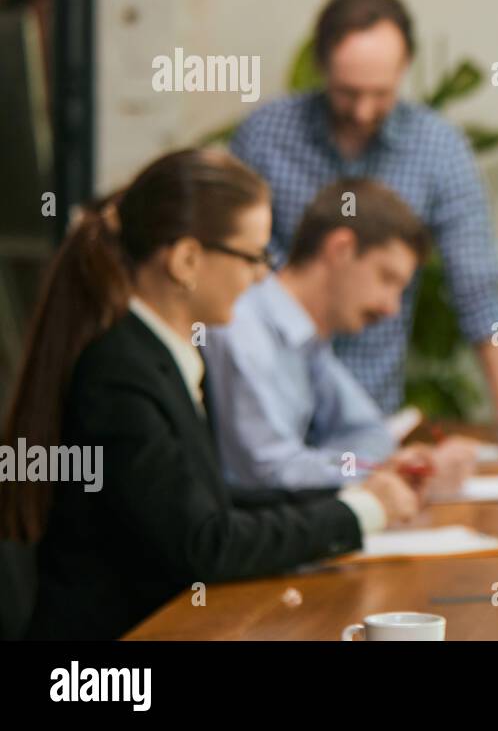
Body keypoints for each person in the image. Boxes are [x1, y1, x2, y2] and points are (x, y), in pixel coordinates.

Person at [0, 150, 418, 640]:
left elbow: (211, 505)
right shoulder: (119, 370)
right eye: (252, 256)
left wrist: (350, 498)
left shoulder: (162, 358)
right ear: (186, 260)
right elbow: (203, 544)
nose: (262, 274)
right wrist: (356, 512)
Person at [230, 0, 498, 427]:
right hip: (268, 396)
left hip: (369, 411)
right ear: (321, 65)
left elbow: (477, 287)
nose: (363, 111)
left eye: (380, 94)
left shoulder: (438, 148)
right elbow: (235, 269)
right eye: (348, 93)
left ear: (404, 69)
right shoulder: (266, 136)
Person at [205, 177, 477, 494]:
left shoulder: (308, 340)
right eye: (387, 278)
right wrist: (382, 471)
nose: (391, 308)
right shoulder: (243, 328)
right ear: (341, 249)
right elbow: (270, 473)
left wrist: (384, 466)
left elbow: (371, 432)